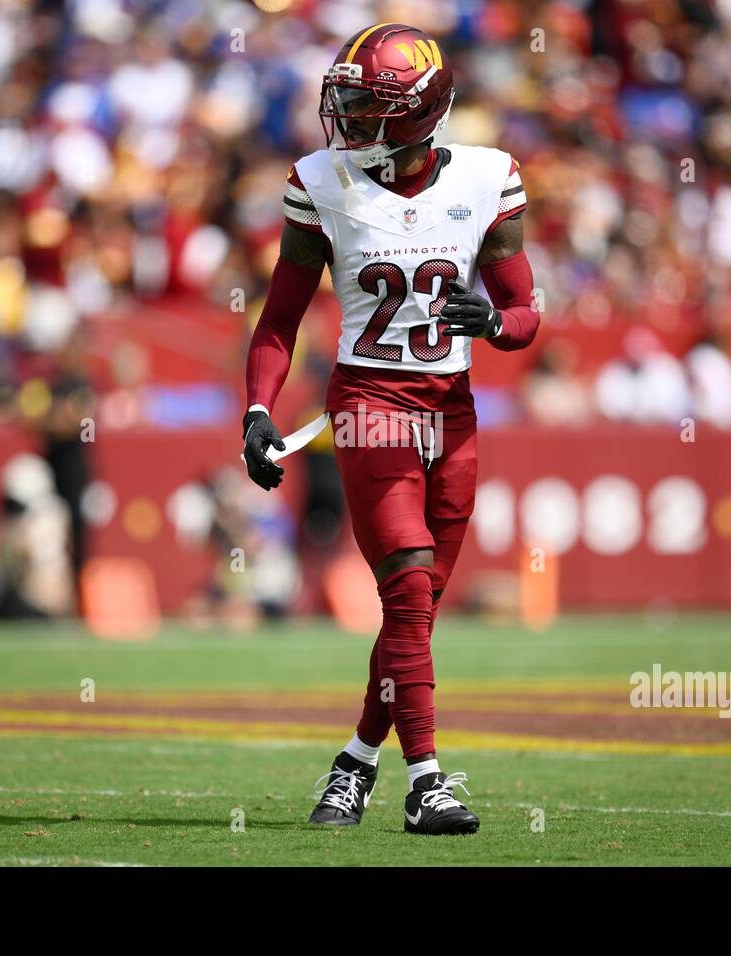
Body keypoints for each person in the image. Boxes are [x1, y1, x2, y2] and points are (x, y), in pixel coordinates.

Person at [240, 23, 538, 835]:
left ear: (416, 113)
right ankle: (428, 783)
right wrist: (259, 409)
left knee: (417, 611)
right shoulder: (320, 183)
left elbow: (525, 314)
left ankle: (354, 764)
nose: (349, 113)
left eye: (369, 101)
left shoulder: (488, 178)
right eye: (350, 97)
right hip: (369, 406)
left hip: (453, 410)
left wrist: (495, 321)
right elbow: (278, 321)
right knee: (407, 588)